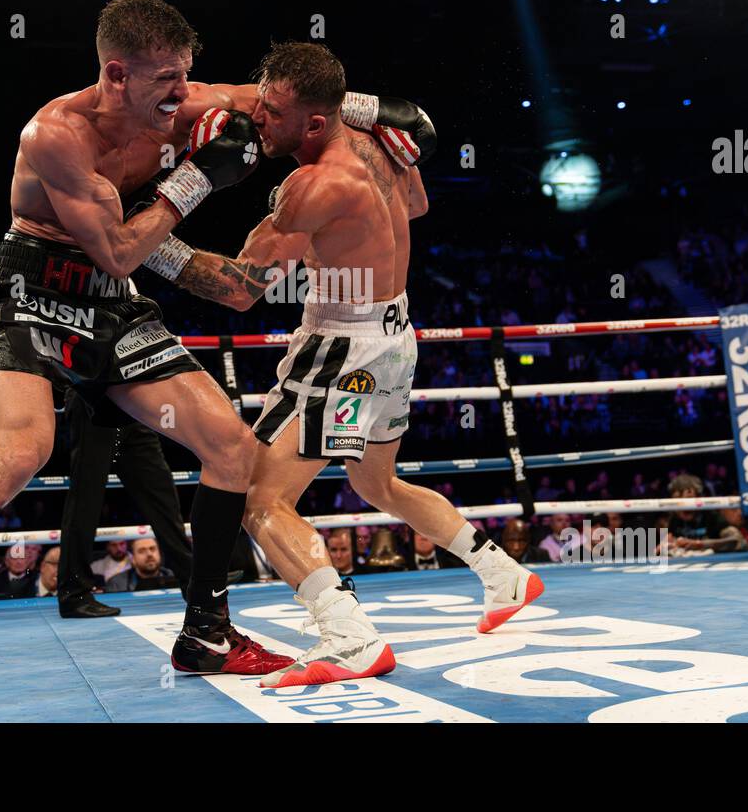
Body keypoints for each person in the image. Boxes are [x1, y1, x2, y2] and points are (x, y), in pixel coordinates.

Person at [0, 0, 293, 723]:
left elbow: (280, 98)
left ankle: (206, 632)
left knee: (231, 447)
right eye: (164, 84)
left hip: (111, 299)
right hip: (34, 286)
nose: (182, 98)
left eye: (187, 78)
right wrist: (195, 180)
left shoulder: (191, 99)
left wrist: (368, 108)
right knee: (20, 452)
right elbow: (116, 244)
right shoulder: (56, 134)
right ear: (117, 75)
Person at [143, 42, 541, 687]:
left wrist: (148, 240)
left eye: (272, 113)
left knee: (258, 497)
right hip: (394, 340)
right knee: (377, 484)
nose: (258, 122)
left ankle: (350, 638)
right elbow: (414, 206)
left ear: (315, 122)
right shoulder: (371, 139)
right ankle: (505, 575)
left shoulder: (311, 183)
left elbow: (242, 288)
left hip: (342, 352)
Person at [57, 389, 194, 617]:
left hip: (132, 402)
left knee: (161, 492)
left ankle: (192, 579)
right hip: (94, 398)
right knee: (86, 499)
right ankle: (74, 593)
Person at [104, 537, 178, 592]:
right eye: (142, 551)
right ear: (133, 559)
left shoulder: (176, 577)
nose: (149, 554)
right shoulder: (116, 584)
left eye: (152, 549)